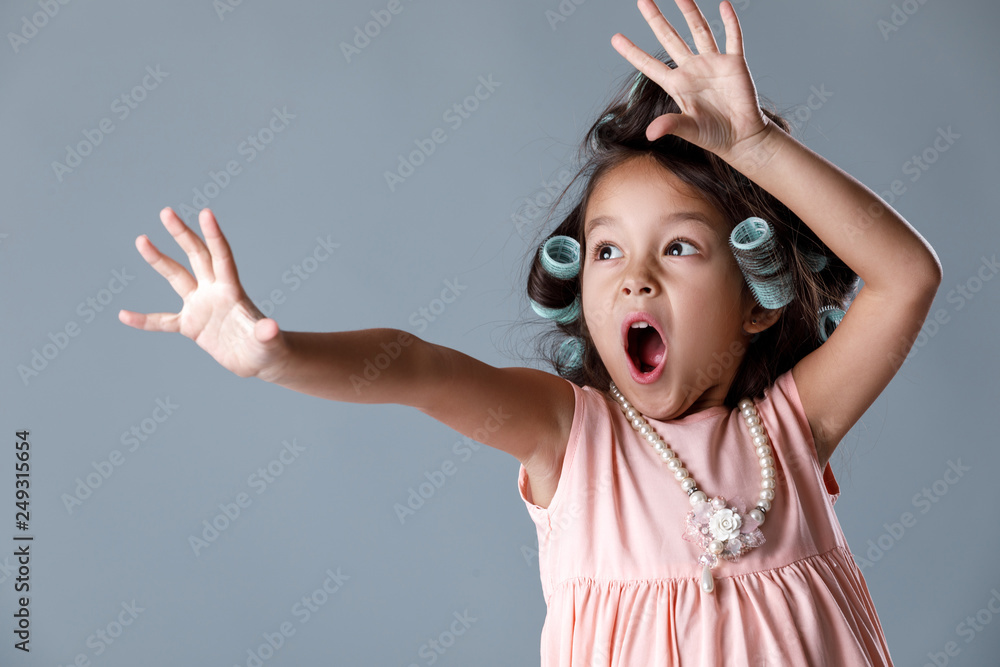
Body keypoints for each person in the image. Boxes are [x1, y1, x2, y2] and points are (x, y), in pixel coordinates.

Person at [119, 0, 941, 663]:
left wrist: (757, 148)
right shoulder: (569, 438)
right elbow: (419, 368)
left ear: (759, 298)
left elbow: (908, 277)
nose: (635, 276)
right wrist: (283, 356)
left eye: (680, 247)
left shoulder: (791, 431)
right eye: (607, 248)